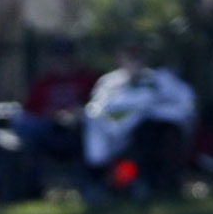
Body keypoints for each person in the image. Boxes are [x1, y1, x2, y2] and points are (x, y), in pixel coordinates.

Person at [82, 40, 196, 202]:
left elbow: (184, 104)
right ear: (120, 57)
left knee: (149, 136)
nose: (133, 59)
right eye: (129, 55)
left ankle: (149, 183)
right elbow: (97, 109)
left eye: (137, 55)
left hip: (151, 131)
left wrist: (151, 111)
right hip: (114, 135)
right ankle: (101, 181)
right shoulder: (109, 82)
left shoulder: (159, 79)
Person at [9, 35, 100, 197]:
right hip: (49, 131)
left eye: (67, 56)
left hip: (79, 131)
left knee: (86, 131)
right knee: (21, 125)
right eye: (59, 57)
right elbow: (29, 112)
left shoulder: (88, 79)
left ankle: (90, 188)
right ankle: (31, 189)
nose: (63, 61)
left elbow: (99, 105)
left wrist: (77, 112)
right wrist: (52, 115)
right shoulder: (45, 83)